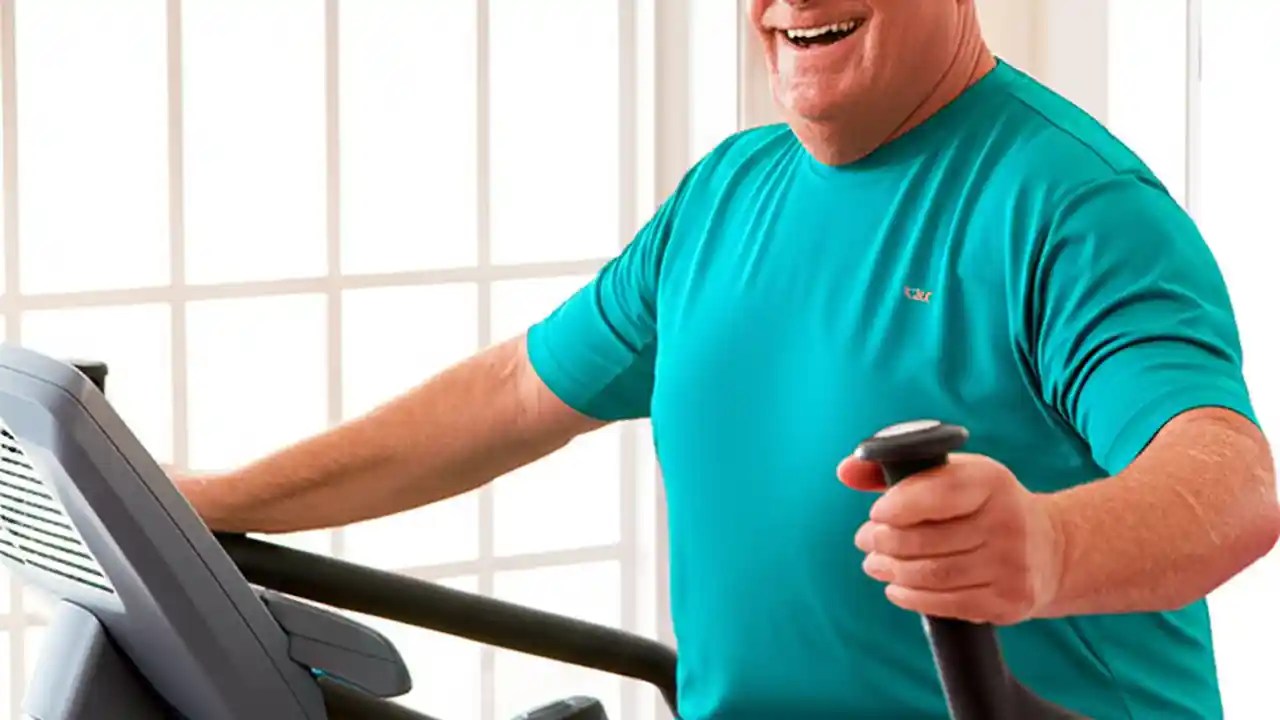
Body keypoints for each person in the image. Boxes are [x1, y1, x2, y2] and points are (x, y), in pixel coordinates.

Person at [176, 0, 1280, 717]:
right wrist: (216, 500)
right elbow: (515, 394)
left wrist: (1043, 543)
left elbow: (1228, 483)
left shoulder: (1070, 202)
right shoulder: (726, 193)